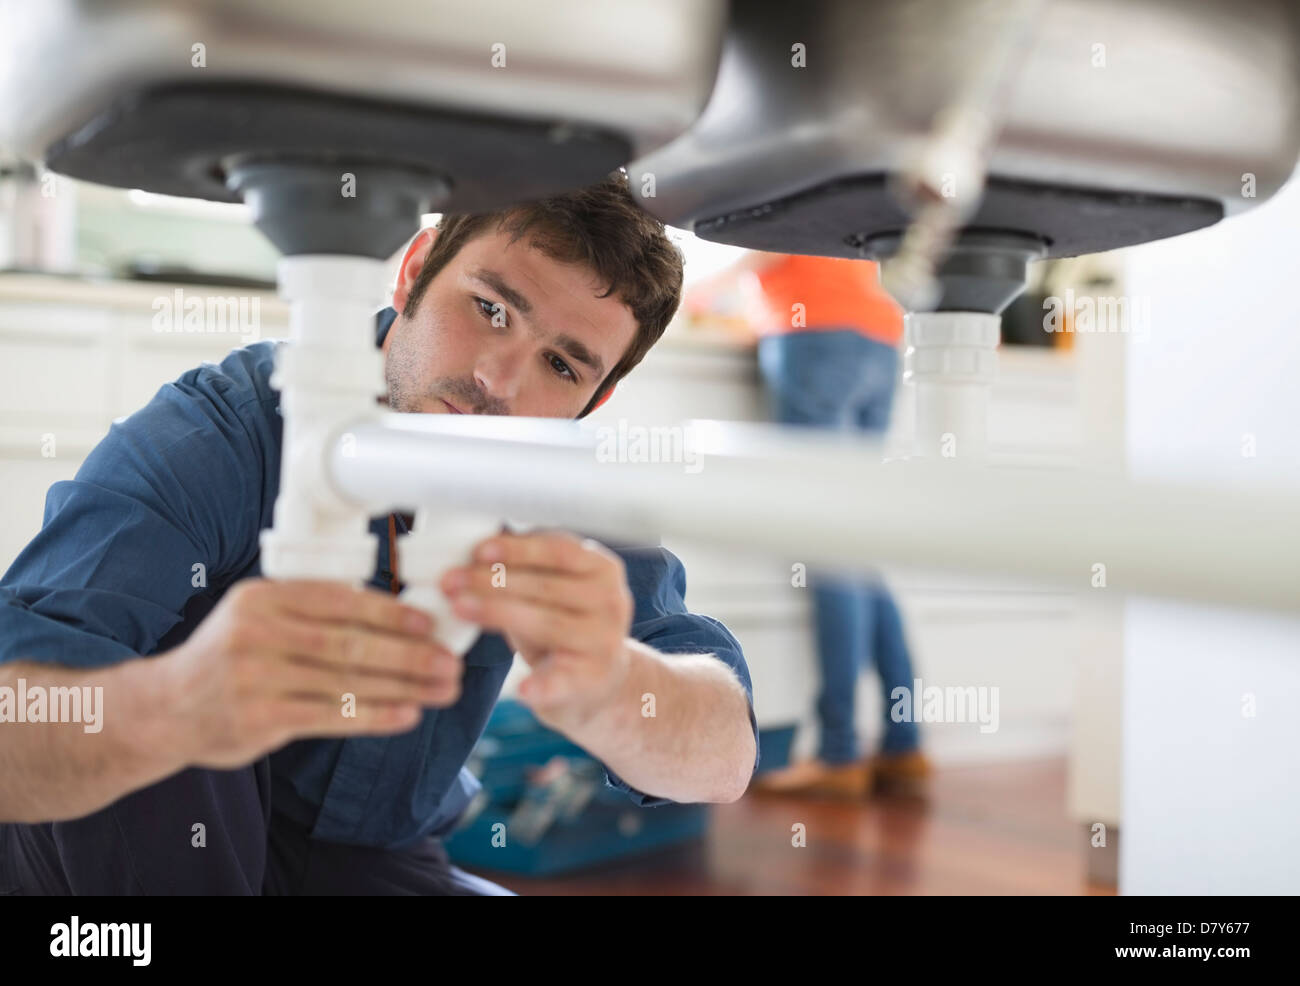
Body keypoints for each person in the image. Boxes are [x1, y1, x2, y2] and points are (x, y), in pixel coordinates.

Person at [0, 170, 760, 895]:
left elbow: (726, 759)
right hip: (132, 834)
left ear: (597, 397)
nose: (499, 382)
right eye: (491, 309)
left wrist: (614, 681)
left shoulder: (556, 482)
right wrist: (176, 706)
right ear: (417, 270)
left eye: (561, 365)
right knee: (156, 658)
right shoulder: (223, 433)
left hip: (364, 862)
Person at [686, 252, 932, 800]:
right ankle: (904, 745)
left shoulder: (777, 166)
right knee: (856, 551)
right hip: (880, 335)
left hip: (814, 329)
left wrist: (696, 289)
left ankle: (840, 753)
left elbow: (764, 245)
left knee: (830, 550)